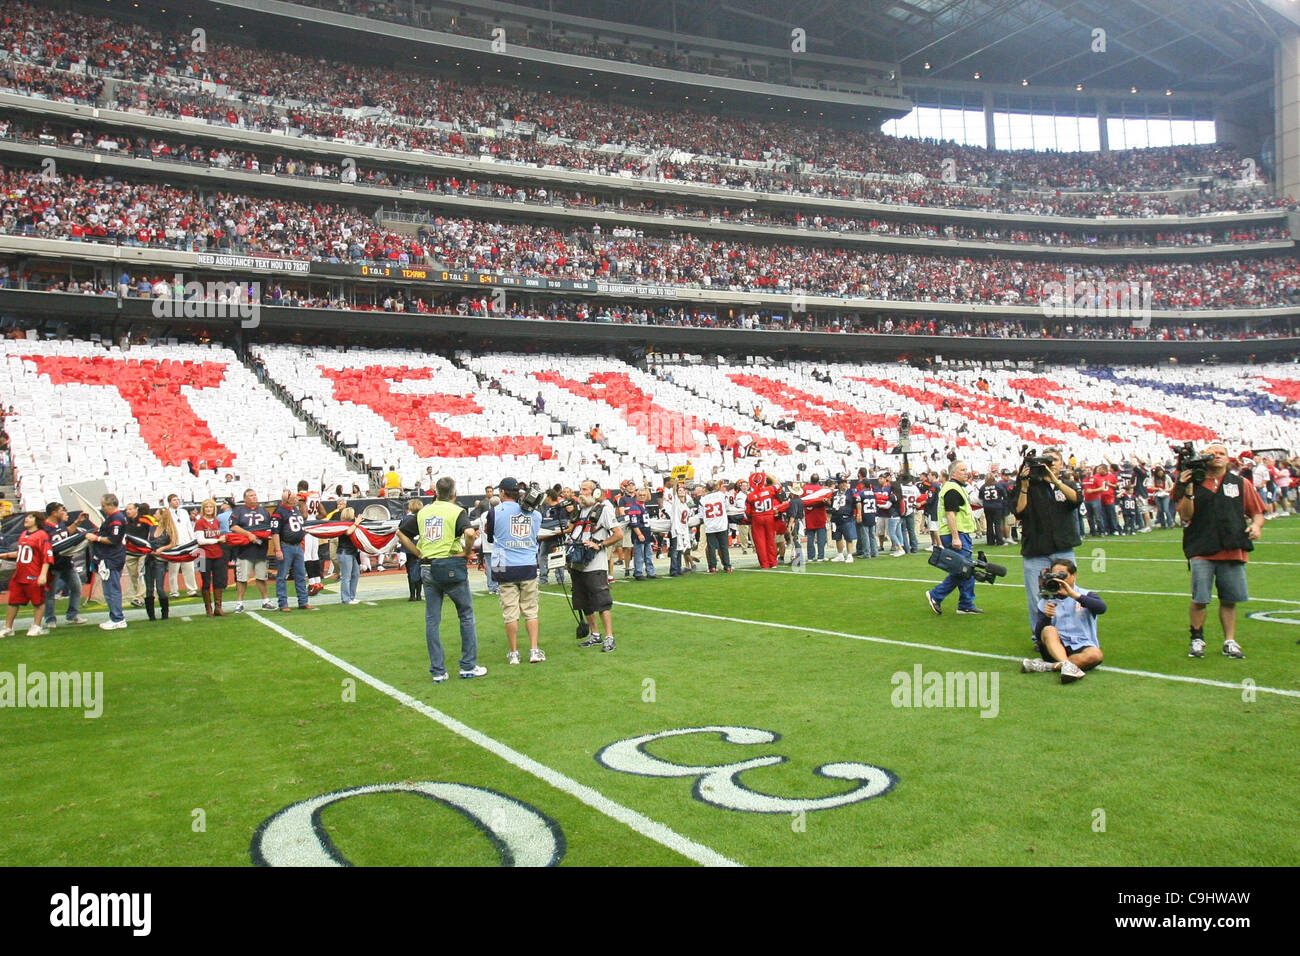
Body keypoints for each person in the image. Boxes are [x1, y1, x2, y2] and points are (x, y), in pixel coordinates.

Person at [1175, 443, 1264, 659]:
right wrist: (1187, 489)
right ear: (1204, 457)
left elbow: (1257, 512)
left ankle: (1230, 641)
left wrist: (1256, 526)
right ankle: (1197, 638)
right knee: (1200, 598)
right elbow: (1185, 516)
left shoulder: (1241, 483)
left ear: (1228, 458)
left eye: (1221, 453)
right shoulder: (1190, 482)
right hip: (1201, 547)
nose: (1217, 457)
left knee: (1230, 599)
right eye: (1212, 453)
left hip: (1232, 546)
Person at [395, 477, 486, 681]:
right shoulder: (456, 511)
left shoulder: (423, 512)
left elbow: (401, 534)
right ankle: (468, 666)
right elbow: (470, 533)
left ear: (435, 493)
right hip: (451, 565)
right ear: (454, 494)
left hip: (428, 566)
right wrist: (466, 551)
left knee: (432, 619)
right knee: (465, 615)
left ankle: (438, 670)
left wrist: (418, 553)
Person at [1011, 448, 1082, 639]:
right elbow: (1018, 511)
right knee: (1037, 597)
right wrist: (1024, 485)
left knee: (1067, 592)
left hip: (1063, 548)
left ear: (1062, 464)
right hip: (1035, 549)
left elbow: (1076, 500)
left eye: (1055, 460)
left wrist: (1055, 482)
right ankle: (1040, 636)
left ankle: (1068, 632)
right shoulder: (1028, 485)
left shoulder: (1066, 484)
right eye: (1047, 460)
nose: (1051, 463)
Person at [487, 477, 545, 664]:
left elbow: (490, 538)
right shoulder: (535, 514)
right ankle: (534, 650)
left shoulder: (494, 512)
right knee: (531, 610)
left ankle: (513, 653)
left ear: (502, 493)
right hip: (527, 563)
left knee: (510, 611)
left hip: (504, 564)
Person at [1020, 558, 1105, 683]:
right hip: (1055, 647)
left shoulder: (1085, 594)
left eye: (1063, 575)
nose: (1059, 580)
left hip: (1082, 644)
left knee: (1096, 655)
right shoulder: (1046, 598)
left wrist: (1075, 595)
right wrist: (1047, 617)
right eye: (1055, 576)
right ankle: (1067, 666)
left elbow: (1101, 608)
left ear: (1074, 575)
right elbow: (1039, 634)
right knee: (1049, 629)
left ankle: (1050, 666)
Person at [567, 479, 621, 651]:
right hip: (578, 564)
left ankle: (609, 637)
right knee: (584, 602)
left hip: (595, 565)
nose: (581, 492)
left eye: (585, 489)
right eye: (580, 489)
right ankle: (595, 634)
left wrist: (600, 545)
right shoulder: (579, 511)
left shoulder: (603, 510)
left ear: (595, 492)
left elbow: (618, 533)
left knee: (602, 602)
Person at [924, 461, 983, 615]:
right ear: (953, 473)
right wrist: (956, 537)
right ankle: (937, 594)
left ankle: (966, 603)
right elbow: (951, 514)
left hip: (960, 533)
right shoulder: (952, 489)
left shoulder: (956, 488)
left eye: (966, 469)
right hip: (956, 534)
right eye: (962, 470)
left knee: (966, 568)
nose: (966, 472)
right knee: (963, 568)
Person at [1, 511, 53, 637]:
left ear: (37, 520)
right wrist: (4, 555)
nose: (26, 519)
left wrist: (42, 575)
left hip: (33, 574)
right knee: (13, 601)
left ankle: (37, 625)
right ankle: (8, 627)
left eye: (30, 517)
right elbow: (22, 552)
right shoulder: (24, 534)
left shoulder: (42, 535)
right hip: (19, 574)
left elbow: (47, 556)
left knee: (38, 602)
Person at [85, 493, 128, 630]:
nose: (102, 508)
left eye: (104, 505)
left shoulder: (116, 519)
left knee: (111, 589)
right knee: (109, 589)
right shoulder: (114, 518)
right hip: (111, 557)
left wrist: (96, 538)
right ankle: (116, 617)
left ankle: (118, 618)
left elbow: (113, 539)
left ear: (110, 504)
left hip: (111, 558)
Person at [41, 502, 87, 628]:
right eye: (62, 510)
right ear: (54, 512)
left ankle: (72, 615)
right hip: (53, 565)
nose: (65, 512)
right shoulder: (44, 528)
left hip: (67, 563)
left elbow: (66, 533)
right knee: (50, 594)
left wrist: (77, 522)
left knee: (76, 588)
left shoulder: (60, 524)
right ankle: (50, 619)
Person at [270, 489, 315, 612]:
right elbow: (275, 532)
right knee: (282, 576)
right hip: (286, 546)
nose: (297, 499)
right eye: (295, 497)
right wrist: (278, 549)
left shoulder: (295, 509)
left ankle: (303, 601)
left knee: (300, 575)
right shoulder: (279, 512)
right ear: (288, 499)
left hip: (297, 546)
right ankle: (283, 604)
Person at [231, 489, 274, 613]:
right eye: (251, 495)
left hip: (260, 549)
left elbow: (269, 528)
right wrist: (248, 534)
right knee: (242, 578)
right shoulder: (239, 511)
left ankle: (265, 601)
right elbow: (233, 527)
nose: (254, 497)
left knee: (261, 577)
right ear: (245, 498)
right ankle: (239, 603)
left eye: (255, 495)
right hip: (244, 550)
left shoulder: (264, 512)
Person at [193, 498, 227, 616]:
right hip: (202, 555)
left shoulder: (217, 521)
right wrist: (217, 540)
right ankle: (208, 609)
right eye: (206, 507)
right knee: (205, 581)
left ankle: (218, 607)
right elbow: (201, 541)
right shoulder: (199, 522)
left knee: (218, 580)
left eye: (211, 507)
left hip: (217, 554)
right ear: (203, 509)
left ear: (214, 509)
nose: (208, 509)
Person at [143, 508, 178, 621]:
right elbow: (148, 541)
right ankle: (151, 615)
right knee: (148, 589)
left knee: (159, 588)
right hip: (149, 559)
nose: (154, 515)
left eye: (156, 513)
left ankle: (164, 613)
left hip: (160, 561)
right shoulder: (152, 528)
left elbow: (174, 543)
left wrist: (162, 548)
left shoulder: (168, 529)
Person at [744, 471, 780, 570]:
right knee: (770, 540)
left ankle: (765, 564)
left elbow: (747, 512)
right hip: (769, 516)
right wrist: (768, 475)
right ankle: (773, 563)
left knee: (760, 543)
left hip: (757, 517)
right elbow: (778, 485)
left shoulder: (750, 495)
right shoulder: (769, 490)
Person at [165, 493, 199, 598]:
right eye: (174, 500)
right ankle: (174, 592)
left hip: (186, 544)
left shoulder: (184, 512)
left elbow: (189, 527)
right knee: (173, 570)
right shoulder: (166, 513)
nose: (177, 502)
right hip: (174, 545)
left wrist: (192, 541)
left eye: (177, 499)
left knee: (189, 568)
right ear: (169, 502)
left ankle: (192, 590)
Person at [698, 481, 733, 573]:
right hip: (722, 524)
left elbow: (701, 516)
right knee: (724, 547)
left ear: (706, 488)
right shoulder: (721, 495)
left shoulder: (703, 499)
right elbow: (727, 508)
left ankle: (712, 567)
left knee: (711, 548)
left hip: (710, 526)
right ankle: (727, 566)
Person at [123, 502, 150, 608]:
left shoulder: (145, 519)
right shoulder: (124, 522)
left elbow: (154, 529)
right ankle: (140, 595)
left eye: (130, 509)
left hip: (143, 552)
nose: (128, 511)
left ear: (136, 509)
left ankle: (139, 597)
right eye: (127, 509)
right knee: (133, 575)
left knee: (141, 574)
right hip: (130, 553)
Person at [626, 488, 655, 579]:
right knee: (639, 555)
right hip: (640, 534)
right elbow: (634, 523)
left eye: (644, 495)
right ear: (636, 496)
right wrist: (639, 534)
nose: (642, 496)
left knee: (648, 554)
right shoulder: (634, 507)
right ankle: (638, 573)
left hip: (646, 533)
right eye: (640, 495)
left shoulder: (643, 506)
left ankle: (650, 572)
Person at [829, 475, 858, 563]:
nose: (843, 484)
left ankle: (849, 555)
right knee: (837, 538)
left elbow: (857, 502)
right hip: (836, 518)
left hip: (847, 517)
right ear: (838, 484)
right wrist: (828, 502)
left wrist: (859, 513)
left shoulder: (851, 492)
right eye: (842, 483)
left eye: (845, 482)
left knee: (848, 538)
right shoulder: (835, 494)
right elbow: (832, 505)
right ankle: (840, 555)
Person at [400, 499, 424, 601]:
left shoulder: (405, 519)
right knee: (420, 570)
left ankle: (412, 595)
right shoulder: (423, 518)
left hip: (409, 548)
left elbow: (401, 532)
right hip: (420, 547)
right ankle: (419, 594)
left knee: (410, 571)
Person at [802, 474, 829, 561]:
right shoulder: (822, 490)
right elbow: (827, 502)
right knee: (821, 537)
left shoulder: (804, 489)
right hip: (820, 515)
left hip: (809, 515)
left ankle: (810, 556)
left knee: (810, 537)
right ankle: (820, 556)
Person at [978, 474, 1005, 547]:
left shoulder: (983, 487)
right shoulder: (998, 485)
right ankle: (1000, 541)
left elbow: (980, 497)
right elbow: (1004, 495)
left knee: (989, 524)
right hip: (997, 506)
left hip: (987, 507)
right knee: (997, 524)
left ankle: (990, 541)